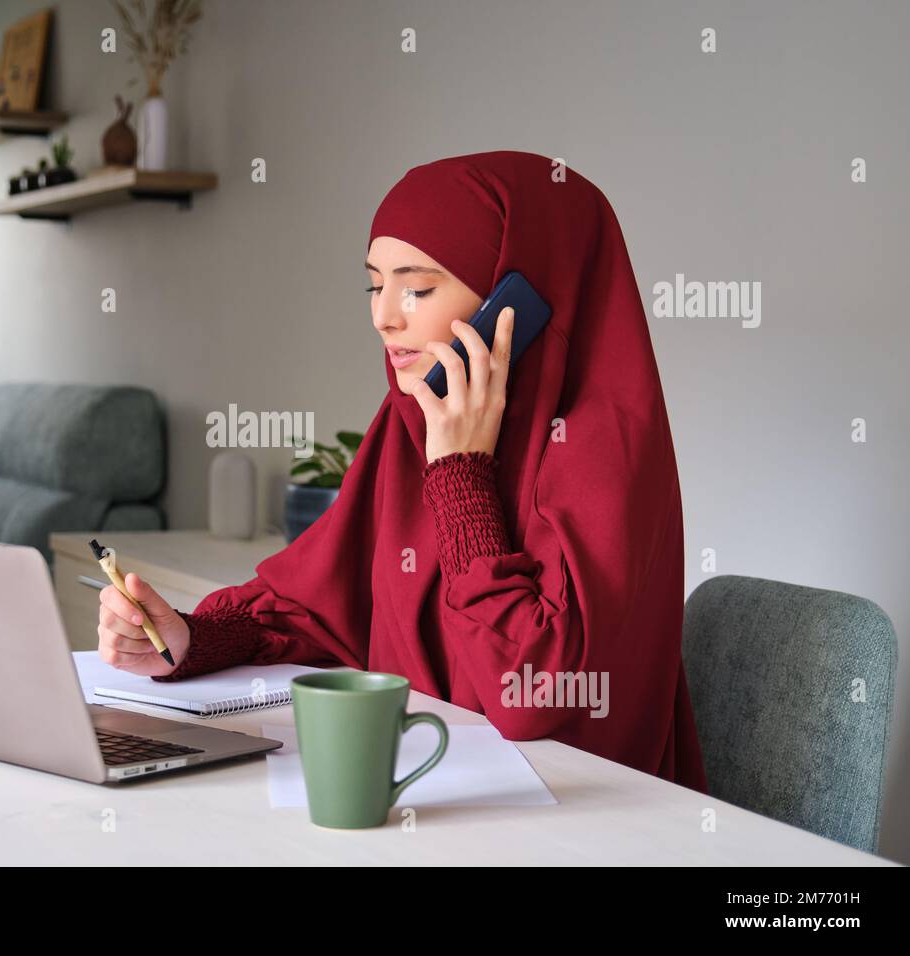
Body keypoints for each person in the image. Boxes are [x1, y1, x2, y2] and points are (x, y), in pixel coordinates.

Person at [97, 150, 708, 792]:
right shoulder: (413, 422)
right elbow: (321, 604)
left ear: (518, 299)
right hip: (426, 792)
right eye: (374, 283)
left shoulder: (603, 452)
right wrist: (191, 638)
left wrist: (461, 475)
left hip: (575, 822)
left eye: (415, 287)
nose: (383, 315)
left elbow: (530, 694)